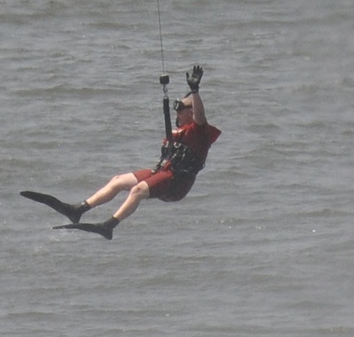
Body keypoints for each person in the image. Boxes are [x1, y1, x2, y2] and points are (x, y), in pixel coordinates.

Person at [23, 65, 220, 239]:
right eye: (176, 108)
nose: (177, 111)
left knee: (138, 190)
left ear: (191, 112)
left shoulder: (199, 131)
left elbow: (201, 115)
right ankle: (78, 210)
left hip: (178, 183)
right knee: (118, 181)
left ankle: (108, 226)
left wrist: (195, 90)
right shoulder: (177, 132)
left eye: (181, 108)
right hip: (163, 173)